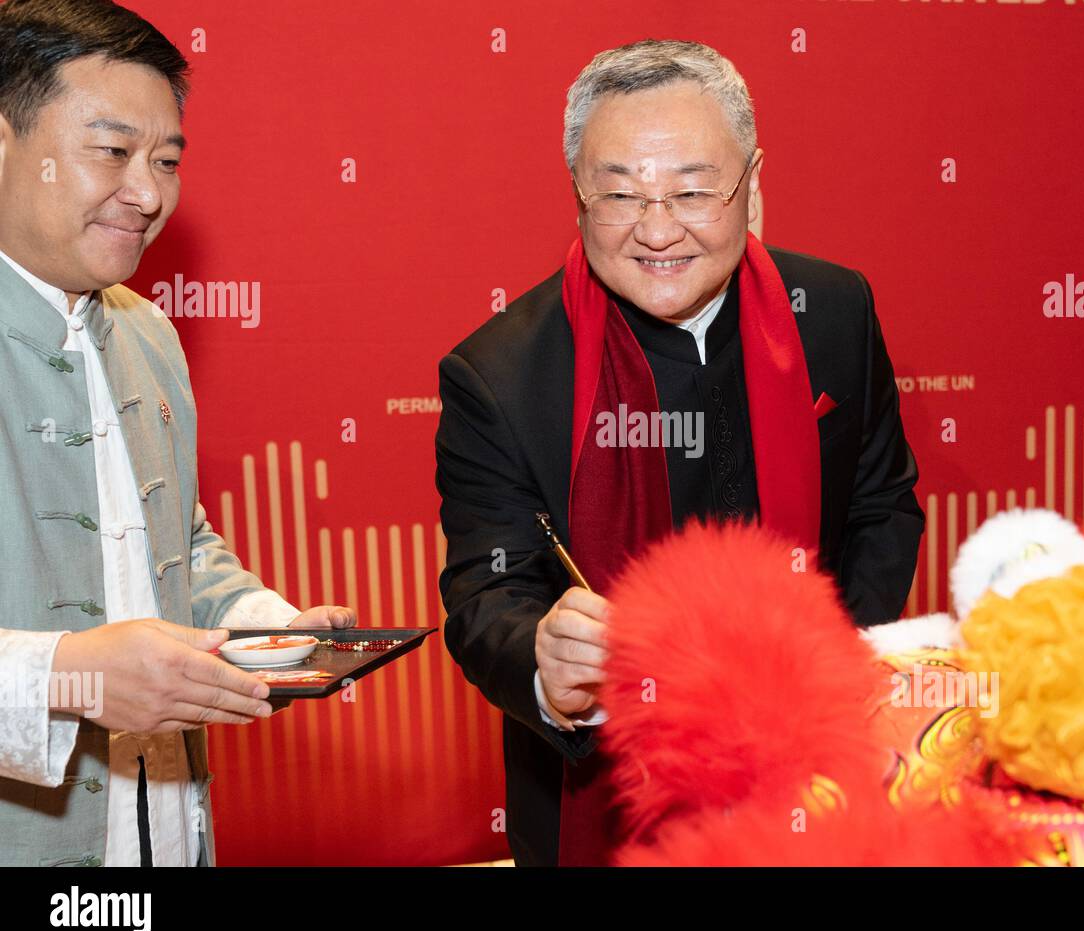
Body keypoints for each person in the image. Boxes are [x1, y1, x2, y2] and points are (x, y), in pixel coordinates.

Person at [436, 38, 924, 866]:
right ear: (580, 196)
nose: (658, 231)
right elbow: (488, 594)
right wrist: (550, 667)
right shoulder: (498, 373)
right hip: (600, 794)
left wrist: (829, 668)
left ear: (753, 184)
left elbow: (882, 504)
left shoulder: (834, 311)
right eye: (621, 195)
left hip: (820, 772)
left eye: (693, 191)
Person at [0, 0, 355, 867]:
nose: (149, 193)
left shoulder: (148, 332)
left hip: (161, 834)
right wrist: (67, 677)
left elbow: (173, 545)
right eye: (113, 152)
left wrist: (267, 628)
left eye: (165, 160)